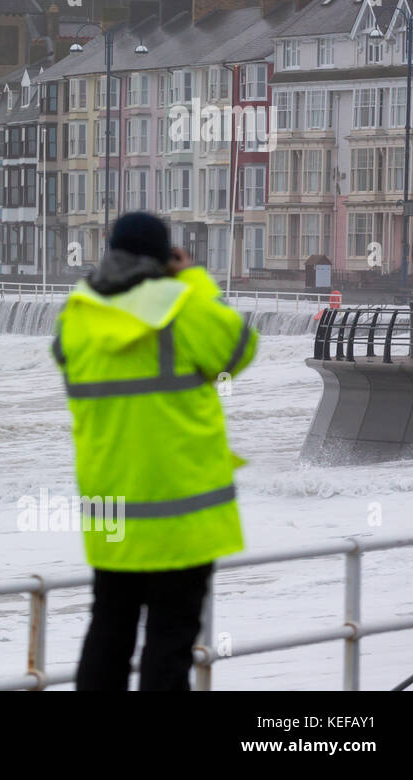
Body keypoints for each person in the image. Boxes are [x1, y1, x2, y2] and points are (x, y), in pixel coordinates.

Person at [51, 212, 257, 691]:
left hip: (112, 514)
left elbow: (63, 355)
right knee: (169, 645)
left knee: (108, 635)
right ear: (166, 257)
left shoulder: (78, 314)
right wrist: (194, 278)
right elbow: (240, 348)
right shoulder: (184, 305)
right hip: (182, 517)